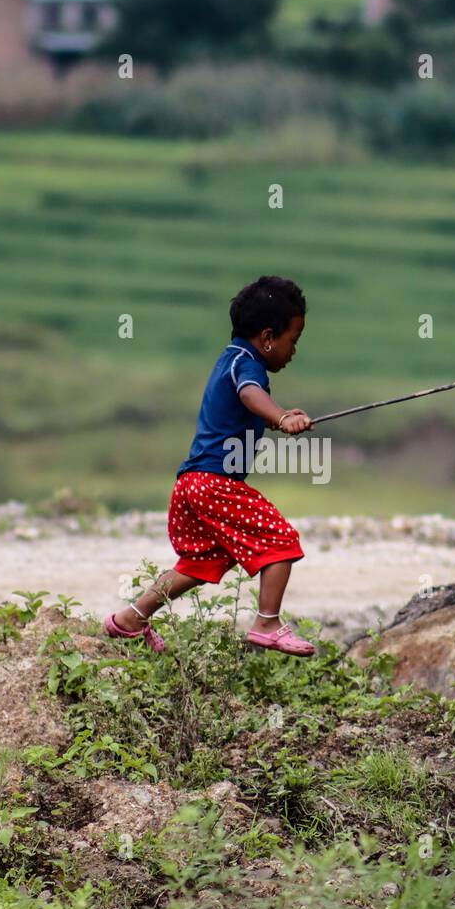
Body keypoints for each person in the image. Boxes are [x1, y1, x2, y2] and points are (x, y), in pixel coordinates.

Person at [105, 276, 316, 656]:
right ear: (268, 337)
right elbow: (250, 394)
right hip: (214, 484)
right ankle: (267, 622)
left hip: (191, 484)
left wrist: (280, 417)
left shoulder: (231, 359)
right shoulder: (246, 366)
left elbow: (248, 405)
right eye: (293, 340)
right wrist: (281, 417)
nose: (294, 350)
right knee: (281, 541)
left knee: (200, 563)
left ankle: (131, 619)